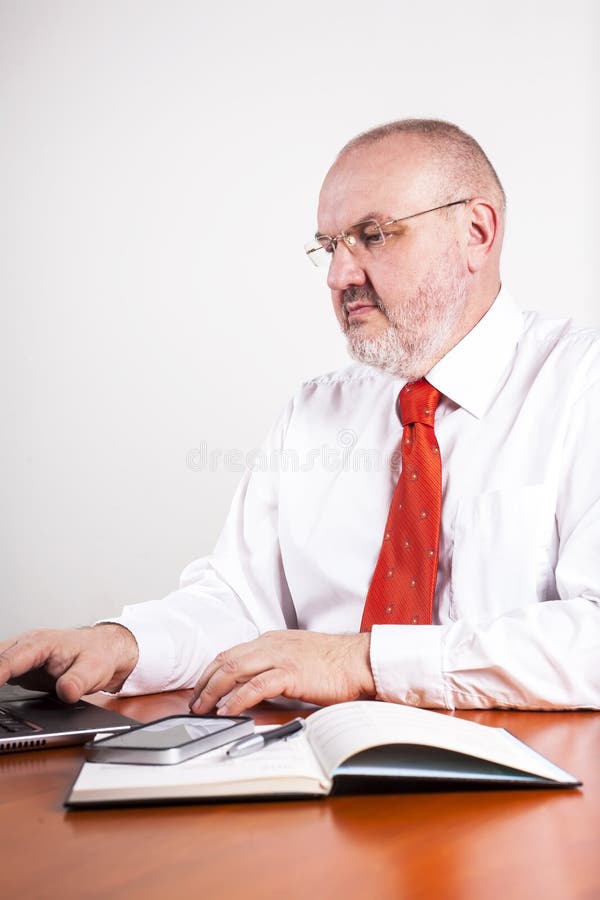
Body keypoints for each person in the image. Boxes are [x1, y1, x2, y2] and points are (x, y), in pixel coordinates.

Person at [2, 119, 599, 714]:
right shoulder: (316, 410)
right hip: (320, 777)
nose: (341, 276)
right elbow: (239, 604)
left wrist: (360, 662)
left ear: (476, 231)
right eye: (330, 246)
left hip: (528, 784)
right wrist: (120, 646)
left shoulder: (582, 385)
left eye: (374, 235)